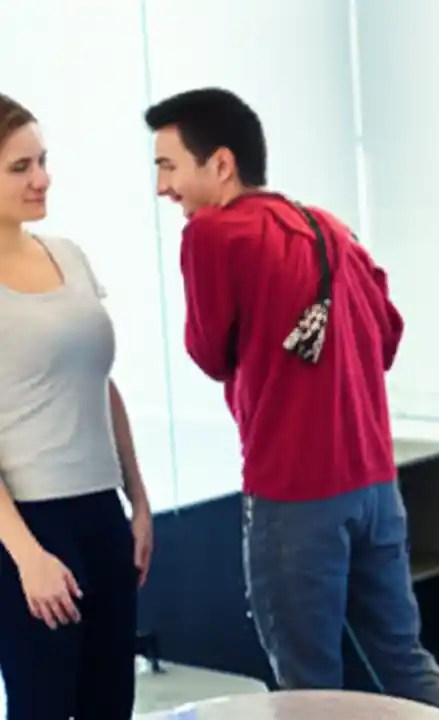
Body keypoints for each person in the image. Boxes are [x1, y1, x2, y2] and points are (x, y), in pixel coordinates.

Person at [142, 88, 439, 715]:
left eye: (168, 166)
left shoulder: (212, 235)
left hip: (294, 494)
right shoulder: (326, 226)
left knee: (308, 686)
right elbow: (388, 335)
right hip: (373, 486)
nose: (162, 187)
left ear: (221, 164)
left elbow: (207, 354)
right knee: (403, 658)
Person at [0, 93, 153, 719]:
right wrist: (27, 556)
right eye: (19, 167)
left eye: (43, 160)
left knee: (110, 704)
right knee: (43, 705)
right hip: (29, 525)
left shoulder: (67, 254)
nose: (42, 178)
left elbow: (99, 381)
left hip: (101, 514)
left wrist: (138, 500)